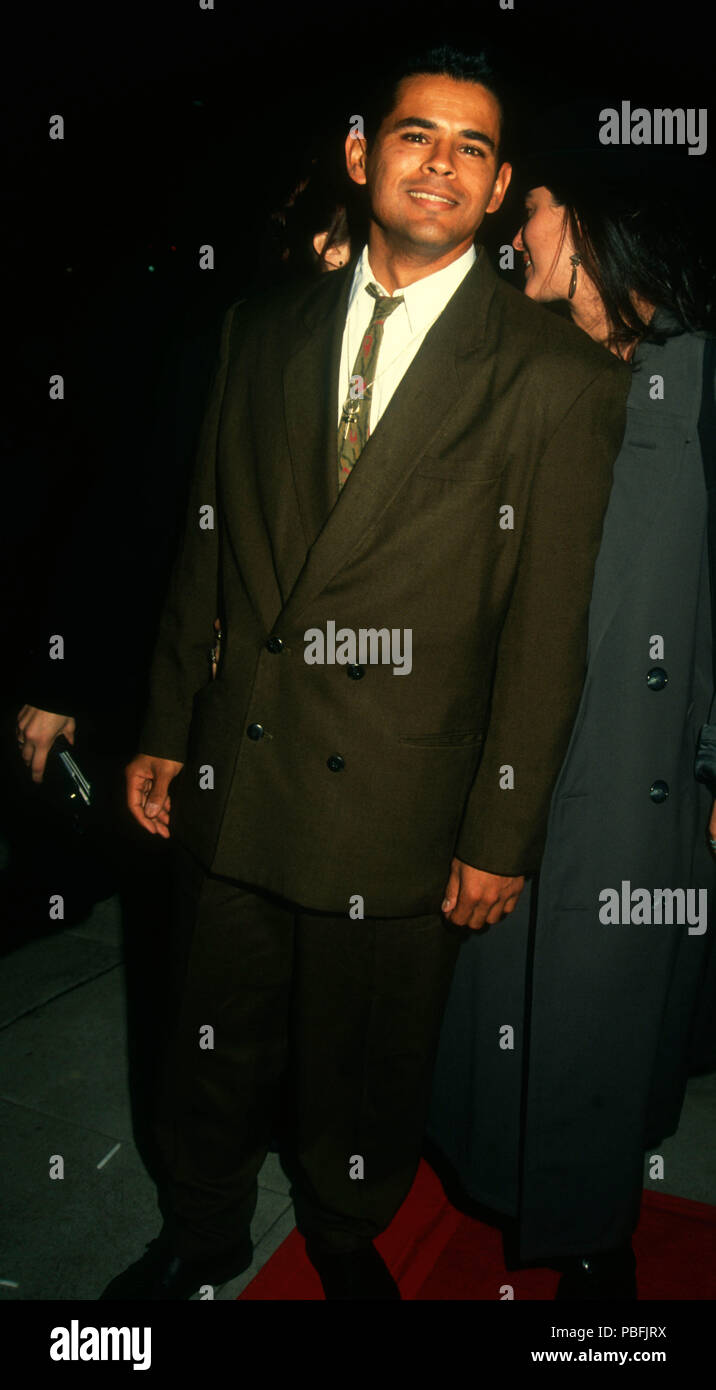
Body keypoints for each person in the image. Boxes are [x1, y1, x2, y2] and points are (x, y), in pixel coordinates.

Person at [100, 47, 630, 1301]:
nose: (440, 163)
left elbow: (544, 631)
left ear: (499, 190)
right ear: (360, 155)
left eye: (472, 148)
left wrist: (498, 831)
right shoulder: (259, 332)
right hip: (240, 764)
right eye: (414, 135)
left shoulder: (552, 379)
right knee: (207, 1038)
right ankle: (201, 1227)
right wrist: (168, 725)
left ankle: (343, 1236)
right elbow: (208, 548)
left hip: (399, 798)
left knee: (363, 1060)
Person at [426, 150, 716, 1299]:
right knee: (505, 1011)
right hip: (522, 759)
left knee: (598, 1015)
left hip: (640, 775)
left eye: (533, 206)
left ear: (588, 220)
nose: (518, 228)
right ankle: (506, 1191)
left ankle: (596, 1254)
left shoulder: (691, 374)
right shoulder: (535, 365)